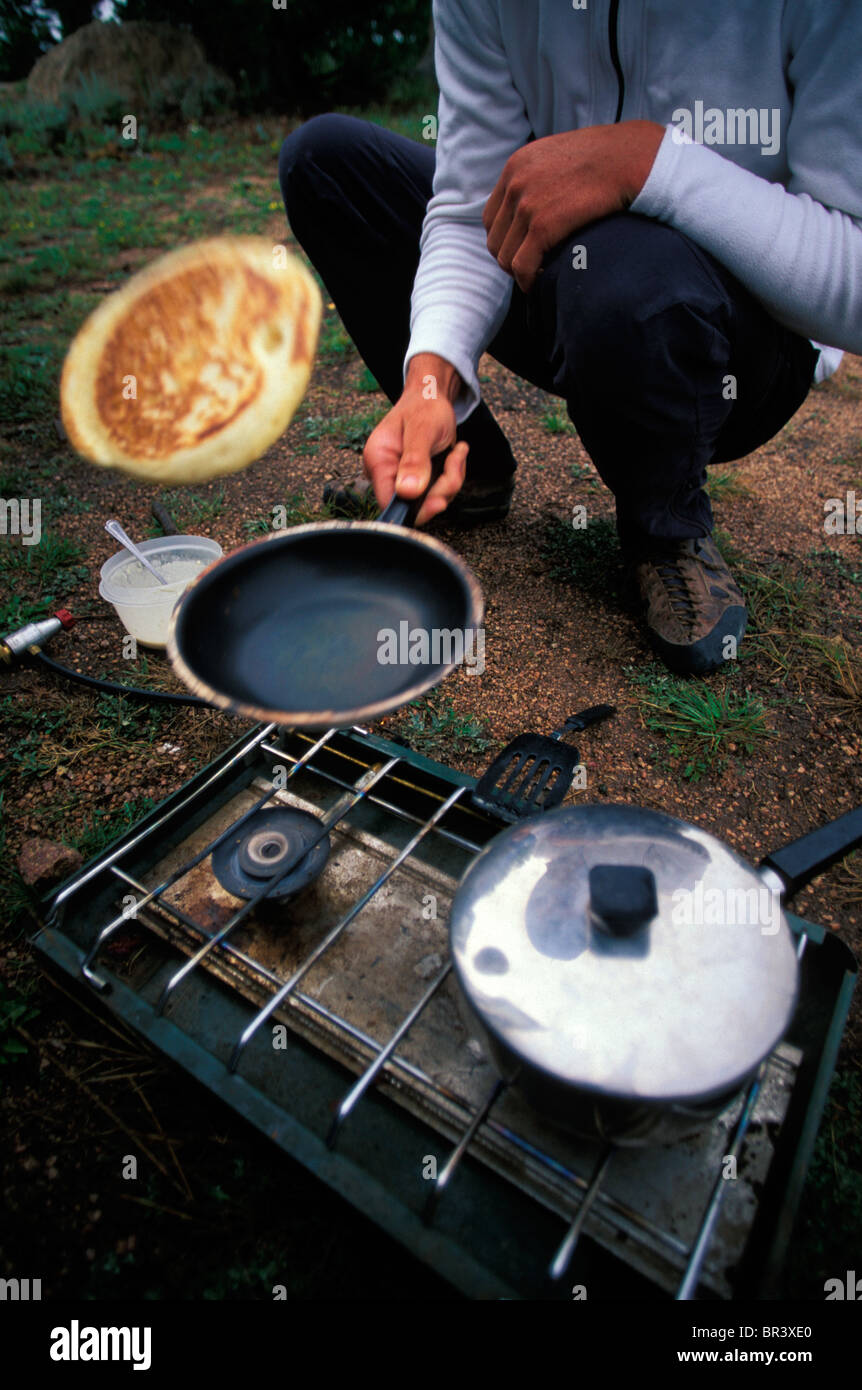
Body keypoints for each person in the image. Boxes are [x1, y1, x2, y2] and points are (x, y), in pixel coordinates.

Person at [279, 0, 862, 675]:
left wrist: (649, 166)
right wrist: (431, 376)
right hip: (571, 291)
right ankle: (461, 460)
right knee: (327, 161)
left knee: (621, 257)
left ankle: (664, 527)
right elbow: (474, 212)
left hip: (736, 348)